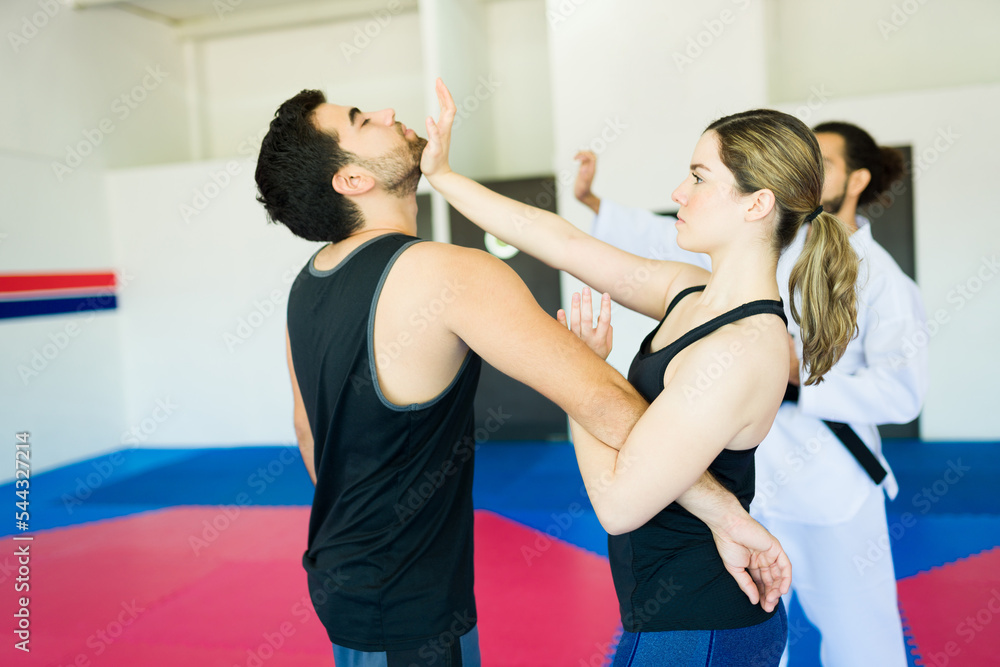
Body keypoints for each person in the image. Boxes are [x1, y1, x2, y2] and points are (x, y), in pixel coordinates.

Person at [254, 84, 792, 666]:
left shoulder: (307, 284)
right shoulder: (446, 272)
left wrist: (446, 175)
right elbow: (599, 398)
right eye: (361, 120)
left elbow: (310, 437)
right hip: (410, 607)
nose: (386, 111)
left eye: (699, 177)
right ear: (352, 180)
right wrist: (725, 511)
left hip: (340, 579)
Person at [421, 79, 860, 666]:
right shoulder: (690, 290)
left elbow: (619, 502)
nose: (679, 192)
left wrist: (580, 369)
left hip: (699, 628)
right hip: (670, 618)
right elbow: (560, 240)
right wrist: (443, 176)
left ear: (757, 204)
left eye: (700, 178)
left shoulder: (742, 346)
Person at [576, 122, 928, 666]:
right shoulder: (766, 246)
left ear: (856, 179)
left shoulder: (883, 281)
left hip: (837, 488)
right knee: (757, 623)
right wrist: (595, 202)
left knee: (862, 639)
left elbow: (902, 396)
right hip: (754, 481)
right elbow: (660, 237)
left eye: (826, 163)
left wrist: (798, 379)